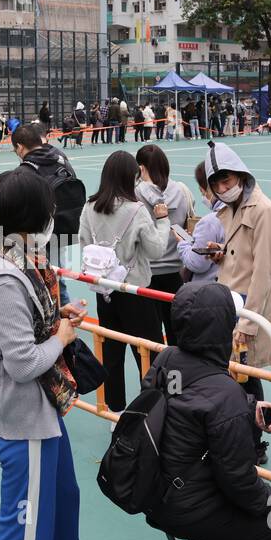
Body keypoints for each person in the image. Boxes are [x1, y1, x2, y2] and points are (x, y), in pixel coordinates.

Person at [0, 168, 100, 540]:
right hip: (25, 418)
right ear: (33, 219)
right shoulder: (5, 280)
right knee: (25, 524)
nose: (53, 221)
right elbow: (21, 364)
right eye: (50, 213)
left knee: (62, 498)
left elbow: (32, 327)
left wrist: (59, 321)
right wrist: (60, 337)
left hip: (43, 408)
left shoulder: (21, 260)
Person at [142, 281, 271, 540]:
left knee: (213, 496)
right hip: (191, 509)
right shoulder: (224, 392)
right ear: (221, 330)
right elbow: (238, 480)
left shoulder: (166, 360)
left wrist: (244, 411)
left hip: (155, 494)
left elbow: (184, 407)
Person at [79, 151, 169, 413]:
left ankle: (114, 408)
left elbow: (84, 245)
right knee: (149, 352)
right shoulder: (137, 210)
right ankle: (152, 408)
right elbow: (156, 250)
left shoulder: (89, 207)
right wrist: (162, 221)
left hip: (104, 289)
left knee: (111, 350)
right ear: (131, 178)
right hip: (134, 290)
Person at [201, 142, 271, 377]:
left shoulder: (264, 211)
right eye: (215, 185)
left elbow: (264, 272)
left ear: (241, 174)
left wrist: (249, 323)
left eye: (226, 181)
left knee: (247, 377)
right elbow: (241, 252)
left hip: (248, 308)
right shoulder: (230, 208)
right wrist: (222, 253)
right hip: (229, 304)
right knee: (233, 375)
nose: (222, 188)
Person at [135, 143, 192, 344]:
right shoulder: (182, 190)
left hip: (147, 272)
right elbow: (188, 223)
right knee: (177, 331)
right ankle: (179, 373)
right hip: (176, 269)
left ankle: (157, 374)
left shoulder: (135, 194)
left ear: (140, 168)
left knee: (150, 337)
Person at [12, 123, 84, 240]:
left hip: (38, 236)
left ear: (20, 147)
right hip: (63, 228)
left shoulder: (22, 172)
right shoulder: (61, 159)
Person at [178, 162, 225, 283]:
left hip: (209, 289)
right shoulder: (242, 213)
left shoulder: (210, 222)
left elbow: (197, 263)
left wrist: (183, 243)